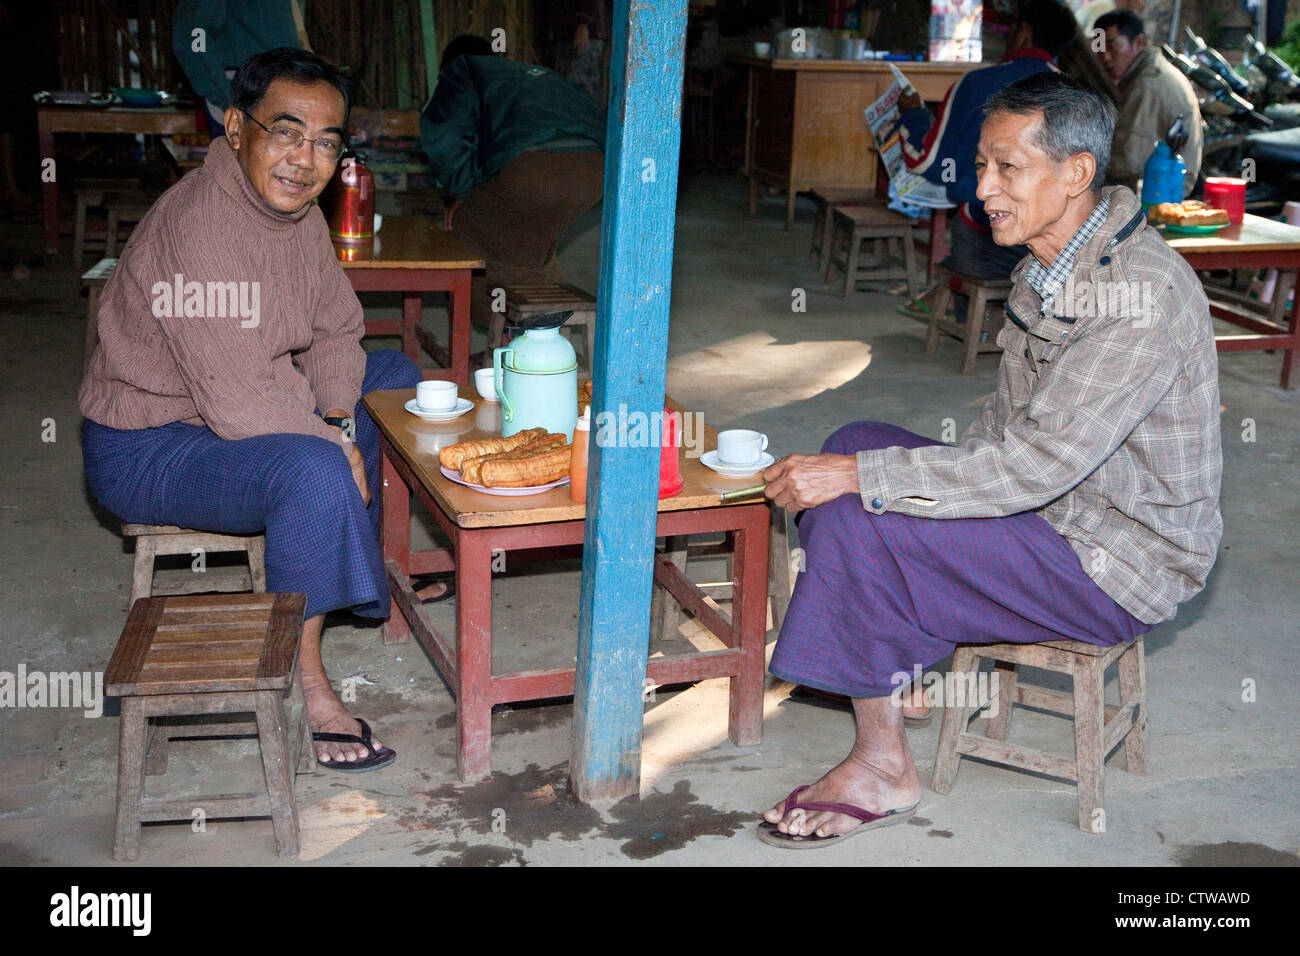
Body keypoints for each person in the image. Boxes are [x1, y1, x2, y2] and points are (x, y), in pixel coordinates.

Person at [757, 71, 1222, 847]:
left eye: (1008, 167)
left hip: (1115, 559)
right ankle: (886, 651)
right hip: (1055, 514)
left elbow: (1031, 467)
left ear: (1075, 172)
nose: (983, 189)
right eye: (981, 165)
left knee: (856, 507)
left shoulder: (1137, 298)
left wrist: (870, 486)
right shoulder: (1050, 266)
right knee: (853, 441)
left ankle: (881, 764)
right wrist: (873, 475)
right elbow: (1001, 437)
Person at [79, 48, 426, 772]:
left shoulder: (298, 217)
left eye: (326, 142)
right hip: (149, 442)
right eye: (286, 132)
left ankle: (354, 559)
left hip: (231, 406)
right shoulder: (199, 225)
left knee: (391, 379)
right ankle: (310, 680)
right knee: (312, 468)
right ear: (237, 128)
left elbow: (337, 330)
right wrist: (332, 444)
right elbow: (238, 399)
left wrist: (339, 419)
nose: (305, 160)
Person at [895, 0, 1110, 323]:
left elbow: (931, 163)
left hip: (985, 242)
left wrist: (912, 115)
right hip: (1060, 249)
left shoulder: (975, 83)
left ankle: (970, 312)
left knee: (976, 213)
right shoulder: (1079, 98)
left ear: (1024, 33)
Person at [419, 35, 605, 334]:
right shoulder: (535, 75)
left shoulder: (462, 69)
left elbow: (446, 137)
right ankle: (546, 330)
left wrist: (462, 191)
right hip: (594, 173)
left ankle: (504, 330)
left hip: (533, 170)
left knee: (465, 231)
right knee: (533, 241)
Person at [1096, 8, 1203, 195]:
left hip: (1163, 192)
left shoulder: (1147, 85)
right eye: (1100, 49)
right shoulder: (1148, 73)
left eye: (1112, 47)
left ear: (1139, 42)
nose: (1105, 57)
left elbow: (1127, 160)